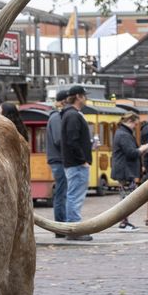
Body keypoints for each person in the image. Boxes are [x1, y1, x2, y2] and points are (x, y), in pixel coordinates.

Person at [59, 84, 94, 241]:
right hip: (77, 164)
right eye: (84, 95)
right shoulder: (73, 115)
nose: (86, 98)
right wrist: (83, 160)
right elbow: (73, 141)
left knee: (73, 195)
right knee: (74, 196)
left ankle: (73, 228)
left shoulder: (69, 114)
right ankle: (74, 229)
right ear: (79, 96)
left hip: (73, 163)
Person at [111, 112, 148, 231]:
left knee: (126, 196)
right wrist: (142, 149)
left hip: (124, 170)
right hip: (125, 170)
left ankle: (124, 222)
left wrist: (141, 150)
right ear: (130, 121)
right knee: (126, 198)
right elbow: (131, 153)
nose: (136, 127)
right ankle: (123, 223)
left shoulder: (122, 132)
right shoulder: (124, 134)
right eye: (135, 124)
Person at [45, 95, 69, 230]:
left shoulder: (55, 117)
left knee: (62, 192)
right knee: (61, 193)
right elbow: (59, 140)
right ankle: (61, 224)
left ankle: (61, 223)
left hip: (57, 159)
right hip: (58, 160)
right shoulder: (56, 118)